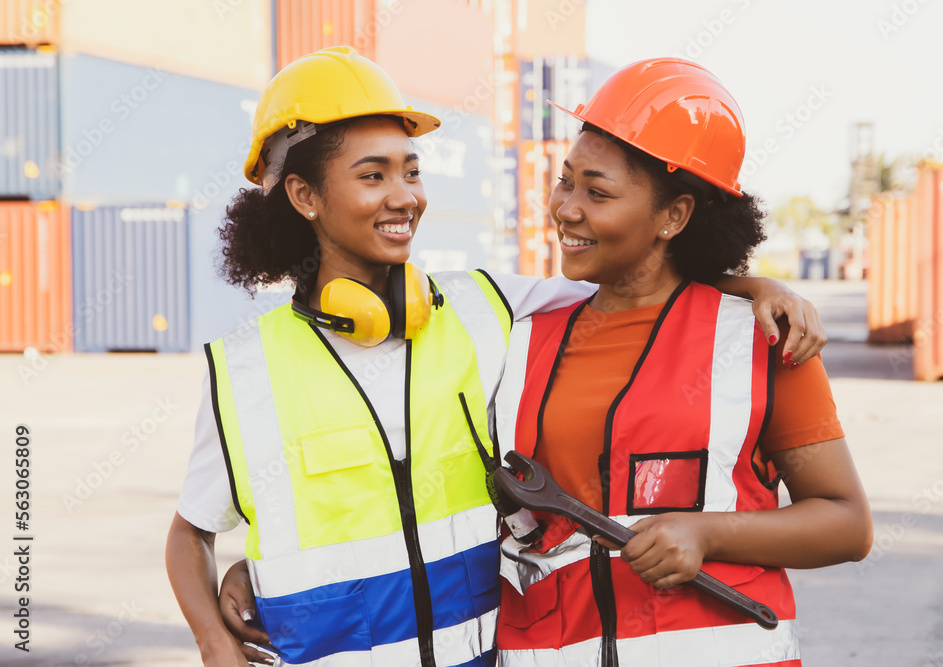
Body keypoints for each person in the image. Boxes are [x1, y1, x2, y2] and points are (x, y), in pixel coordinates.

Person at [165, 48, 829, 667]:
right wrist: (216, 637)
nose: (405, 196)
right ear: (306, 196)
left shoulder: (486, 308)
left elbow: (639, 280)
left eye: (411, 170)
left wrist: (750, 286)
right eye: (373, 176)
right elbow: (189, 531)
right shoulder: (244, 369)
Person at [490, 59, 874, 667]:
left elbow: (846, 525)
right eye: (565, 182)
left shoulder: (759, 339)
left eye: (598, 191)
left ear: (674, 216)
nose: (566, 208)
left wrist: (708, 532)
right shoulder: (518, 334)